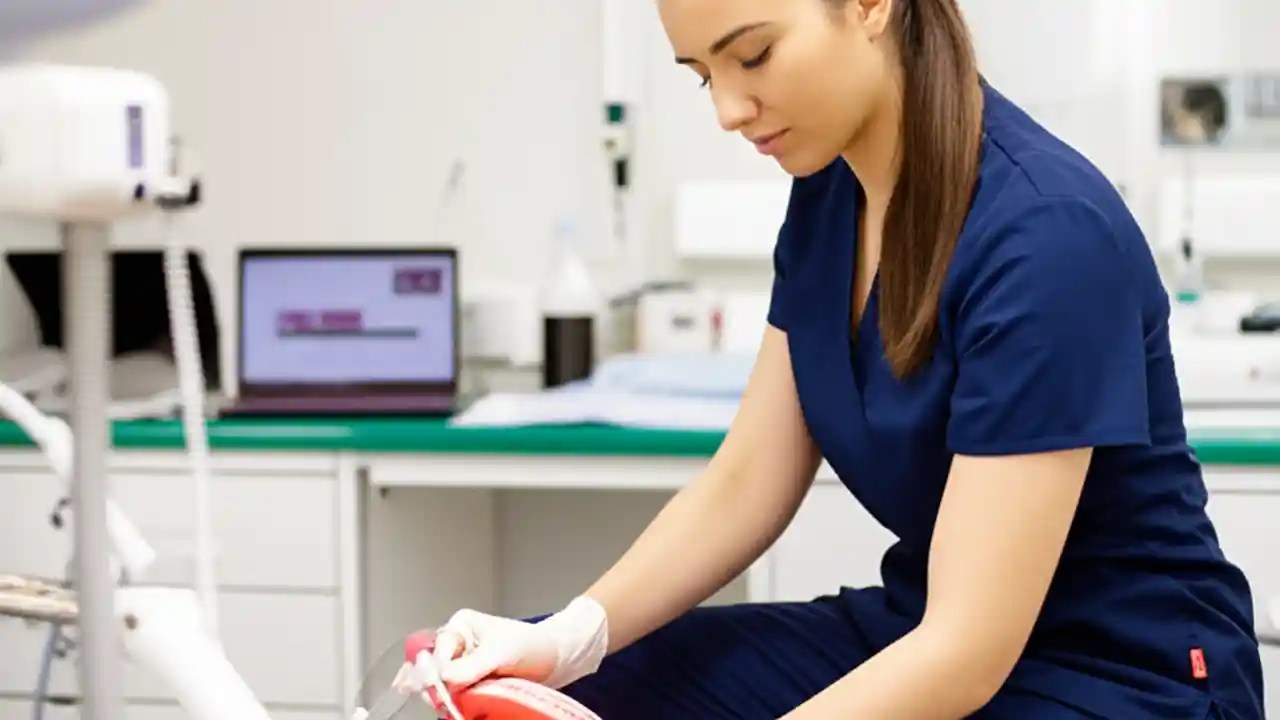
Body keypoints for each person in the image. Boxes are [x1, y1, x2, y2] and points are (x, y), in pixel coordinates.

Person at [427, 1, 1265, 717]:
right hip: (924, 626)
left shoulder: (1045, 235)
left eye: (752, 55)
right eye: (700, 74)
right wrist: (568, 637)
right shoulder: (832, 191)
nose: (727, 108)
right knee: (578, 690)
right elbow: (746, 480)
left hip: (1124, 673)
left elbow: (968, 649)